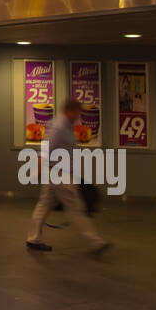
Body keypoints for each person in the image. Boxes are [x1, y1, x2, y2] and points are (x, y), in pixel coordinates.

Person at [26, 98, 109, 254]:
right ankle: (95, 242)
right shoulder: (59, 127)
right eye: (78, 113)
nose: (79, 116)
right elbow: (45, 149)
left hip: (56, 172)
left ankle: (33, 238)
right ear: (70, 110)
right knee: (76, 208)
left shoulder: (64, 125)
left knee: (44, 205)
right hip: (59, 174)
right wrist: (37, 169)